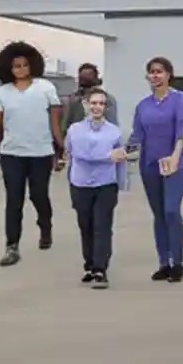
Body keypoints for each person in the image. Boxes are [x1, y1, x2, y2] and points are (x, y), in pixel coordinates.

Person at [0, 41, 65, 267]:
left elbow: (55, 123)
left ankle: (45, 226)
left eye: (24, 65)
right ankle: (12, 246)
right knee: (14, 200)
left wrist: (61, 150)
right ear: (8, 69)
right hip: (11, 154)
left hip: (40, 153)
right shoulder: (1, 93)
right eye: (16, 66)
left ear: (32, 65)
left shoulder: (45, 88)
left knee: (39, 195)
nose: (20, 69)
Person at [127, 56, 183, 283]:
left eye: (160, 71)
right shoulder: (143, 105)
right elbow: (137, 136)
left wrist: (175, 157)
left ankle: (178, 262)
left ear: (168, 75)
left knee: (171, 210)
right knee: (158, 214)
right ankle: (164, 263)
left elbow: (181, 132)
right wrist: (122, 152)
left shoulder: (180, 99)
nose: (155, 75)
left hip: (175, 163)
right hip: (149, 164)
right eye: (152, 72)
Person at [62, 87, 128, 289]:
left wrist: (122, 183)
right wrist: (107, 157)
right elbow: (77, 154)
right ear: (86, 105)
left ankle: (101, 268)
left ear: (106, 107)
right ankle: (89, 265)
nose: (97, 107)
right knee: (86, 225)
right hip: (80, 183)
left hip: (106, 184)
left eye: (101, 103)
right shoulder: (75, 130)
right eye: (93, 103)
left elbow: (121, 159)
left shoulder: (114, 131)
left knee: (102, 226)